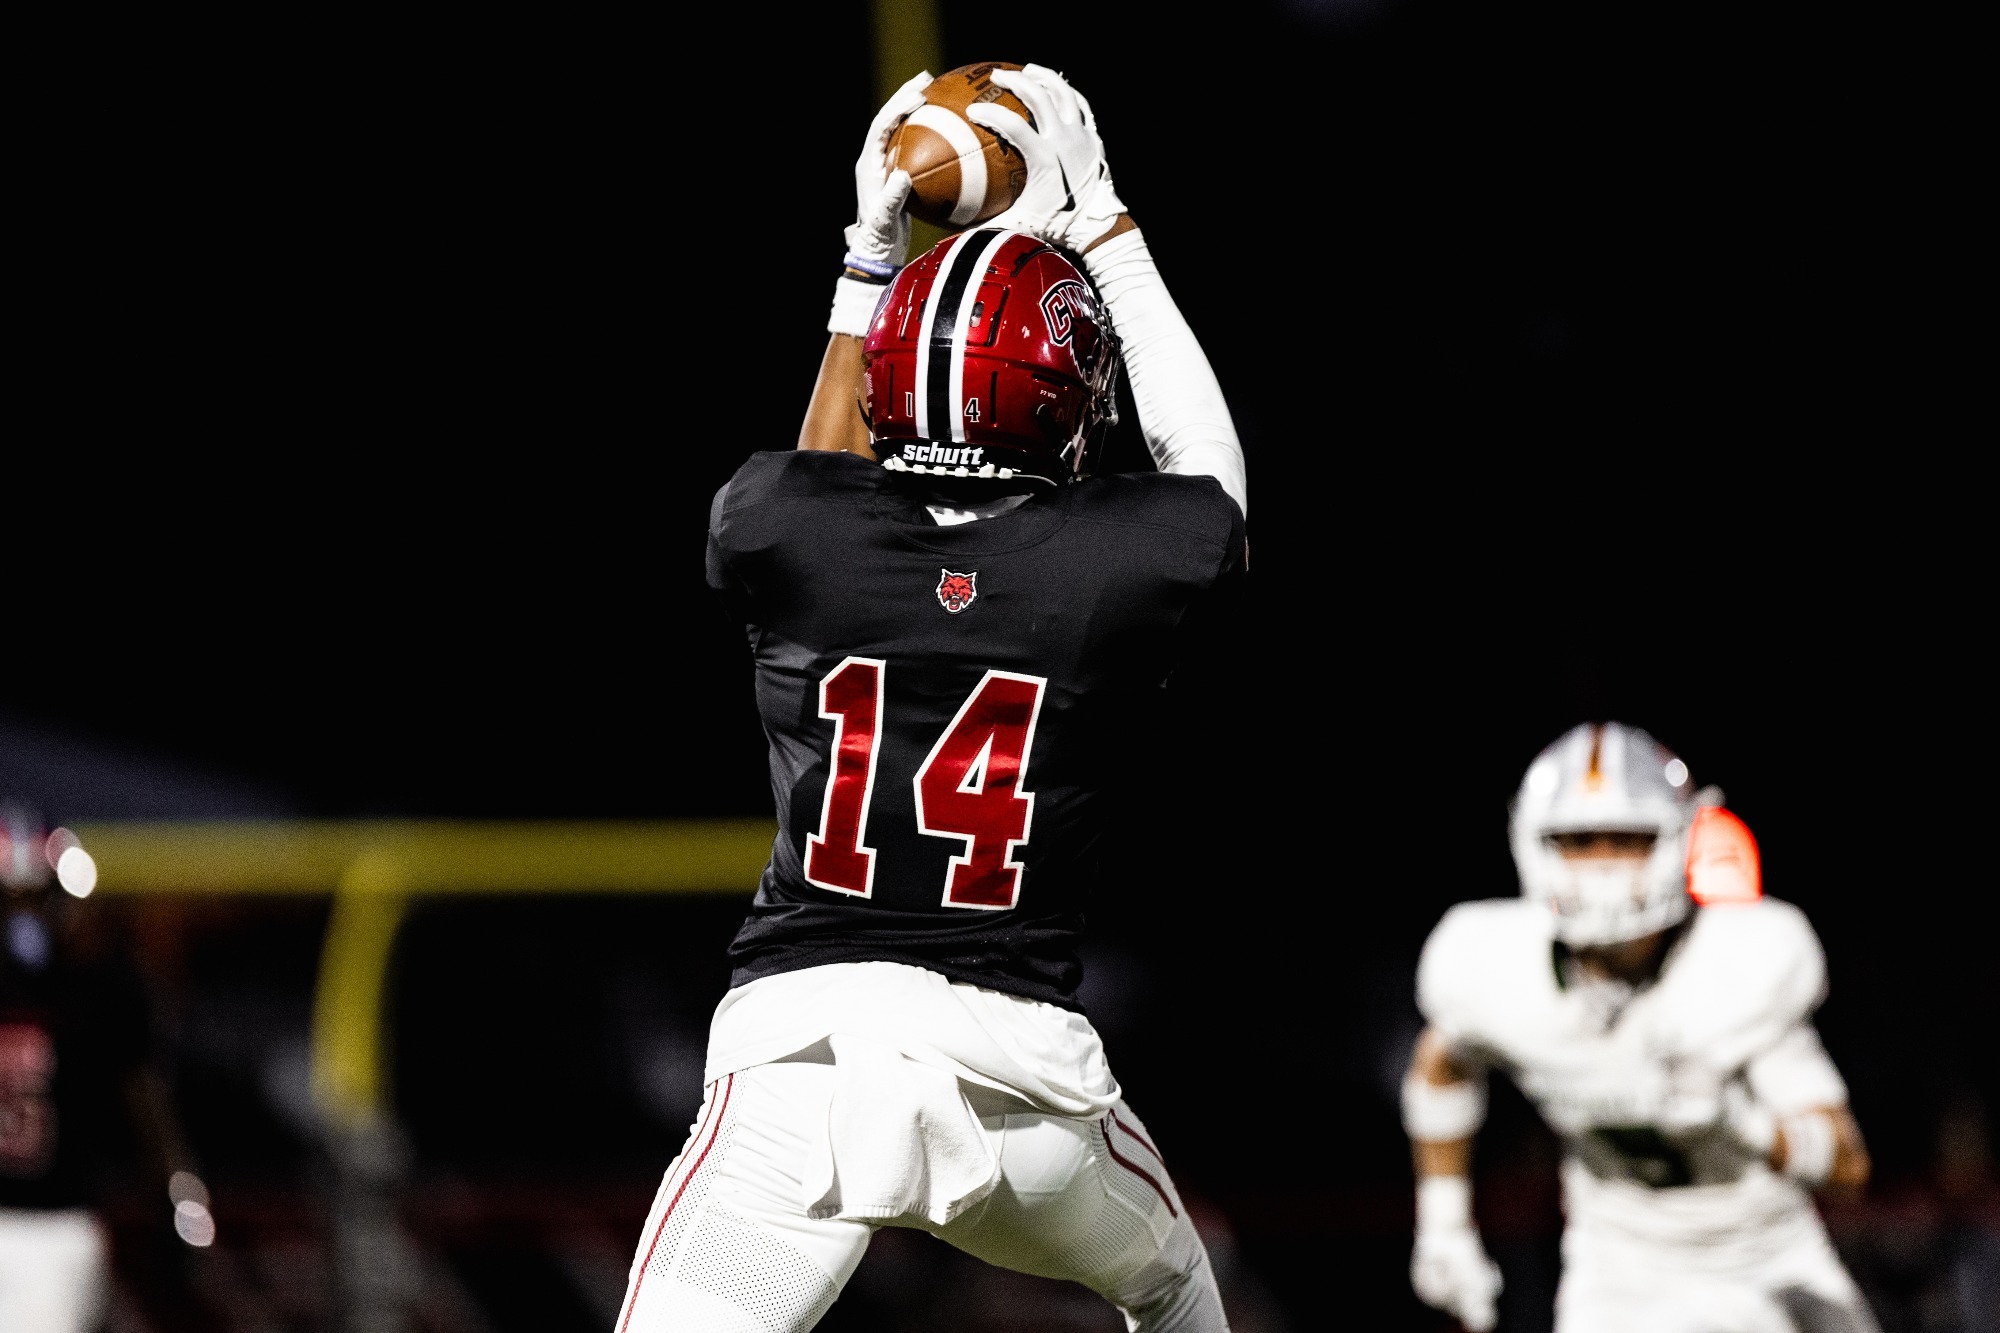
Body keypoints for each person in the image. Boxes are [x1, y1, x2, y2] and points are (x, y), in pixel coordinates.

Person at [616, 64, 1247, 1333]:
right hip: (1023, 1085)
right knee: (1174, 1288)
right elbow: (1211, 486)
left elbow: (815, 473)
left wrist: (865, 264)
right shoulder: (1105, 561)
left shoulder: (787, 520)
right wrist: (1110, 236)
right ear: (1067, 395)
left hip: (804, 1058)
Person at [1402, 722, 1879, 1333]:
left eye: (1625, 840)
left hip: (1766, 1261)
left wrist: (1747, 1125)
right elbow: (1443, 1062)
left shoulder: (1739, 963)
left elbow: (1847, 1166)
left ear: (1678, 840)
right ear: (1531, 842)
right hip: (1619, 1274)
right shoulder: (1495, 969)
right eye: (1578, 840)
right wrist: (1443, 1228)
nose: (1601, 865)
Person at [0, 803, 217, 1332]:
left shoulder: (98, 990)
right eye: (9, 900)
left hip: (55, 1225)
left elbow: (145, 1099)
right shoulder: (101, 987)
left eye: (33, 898)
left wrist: (179, 1197)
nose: (23, 919)